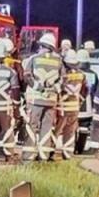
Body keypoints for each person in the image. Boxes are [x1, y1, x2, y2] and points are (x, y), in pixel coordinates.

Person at [21, 33, 62, 161]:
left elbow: (27, 76)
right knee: (47, 127)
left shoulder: (34, 58)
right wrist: (53, 88)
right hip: (51, 100)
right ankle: (43, 156)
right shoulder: (59, 61)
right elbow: (63, 79)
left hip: (35, 99)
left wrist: (38, 87)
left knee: (32, 126)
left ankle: (29, 156)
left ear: (42, 45)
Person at [53, 50, 87, 159]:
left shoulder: (62, 75)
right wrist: (80, 101)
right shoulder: (81, 74)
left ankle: (50, 152)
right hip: (75, 107)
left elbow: (56, 88)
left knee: (56, 131)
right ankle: (67, 154)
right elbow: (86, 90)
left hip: (62, 108)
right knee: (70, 131)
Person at [76, 48, 98, 151]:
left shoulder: (75, 73)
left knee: (71, 128)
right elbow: (96, 90)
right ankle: (80, 149)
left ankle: (71, 148)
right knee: (84, 128)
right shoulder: (93, 74)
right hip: (88, 106)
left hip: (75, 104)